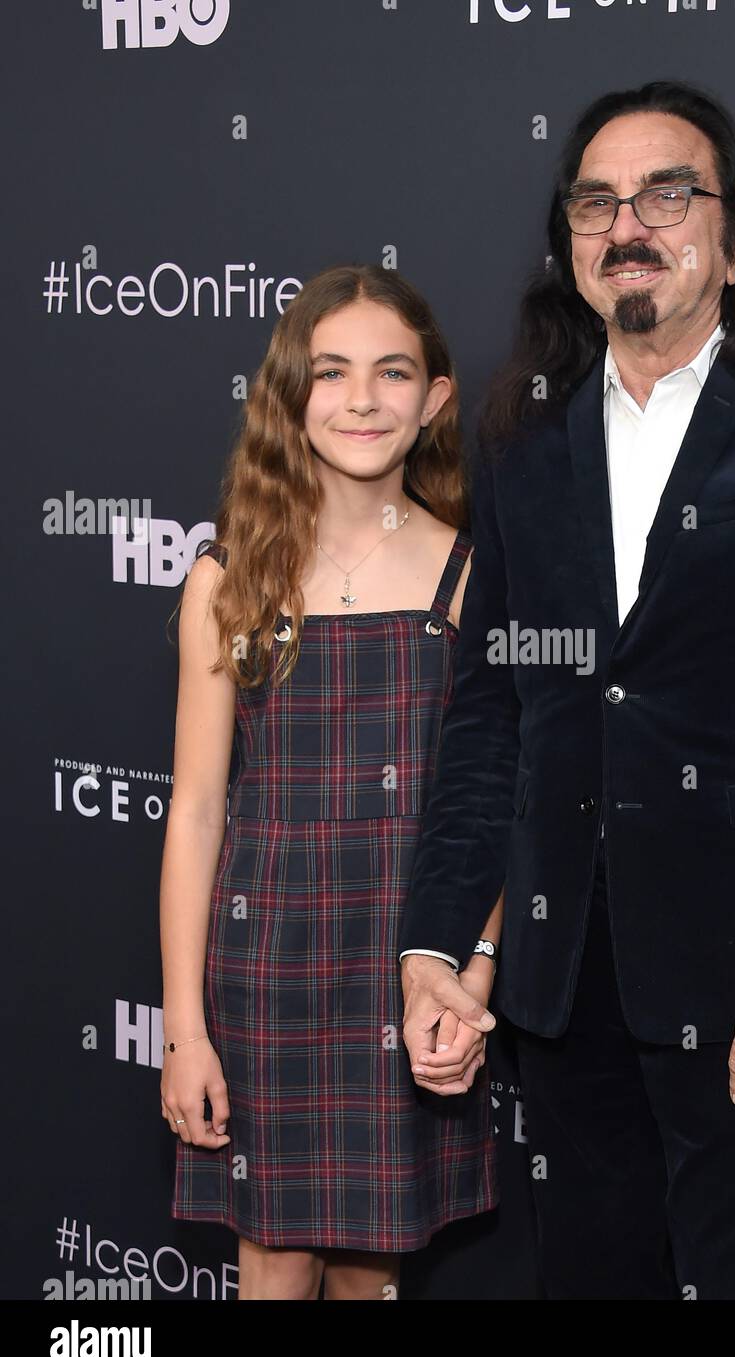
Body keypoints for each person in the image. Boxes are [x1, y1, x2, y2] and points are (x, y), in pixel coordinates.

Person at [398, 81, 735, 1299]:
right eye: (594, 200)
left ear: (733, 240)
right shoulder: (521, 433)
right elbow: (492, 708)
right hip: (562, 985)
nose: (625, 222)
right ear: (570, 242)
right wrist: (440, 936)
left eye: (663, 192)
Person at [161, 264, 500, 1301]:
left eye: (392, 373)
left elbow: (492, 802)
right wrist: (184, 1028)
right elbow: (198, 809)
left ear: (435, 398)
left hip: (408, 965)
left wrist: (469, 978)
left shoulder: (473, 576)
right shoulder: (230, 578)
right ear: (288, 397)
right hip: (264, 967)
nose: (361, 399)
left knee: (372, 1271)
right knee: (270, 1265)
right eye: (332, 372)